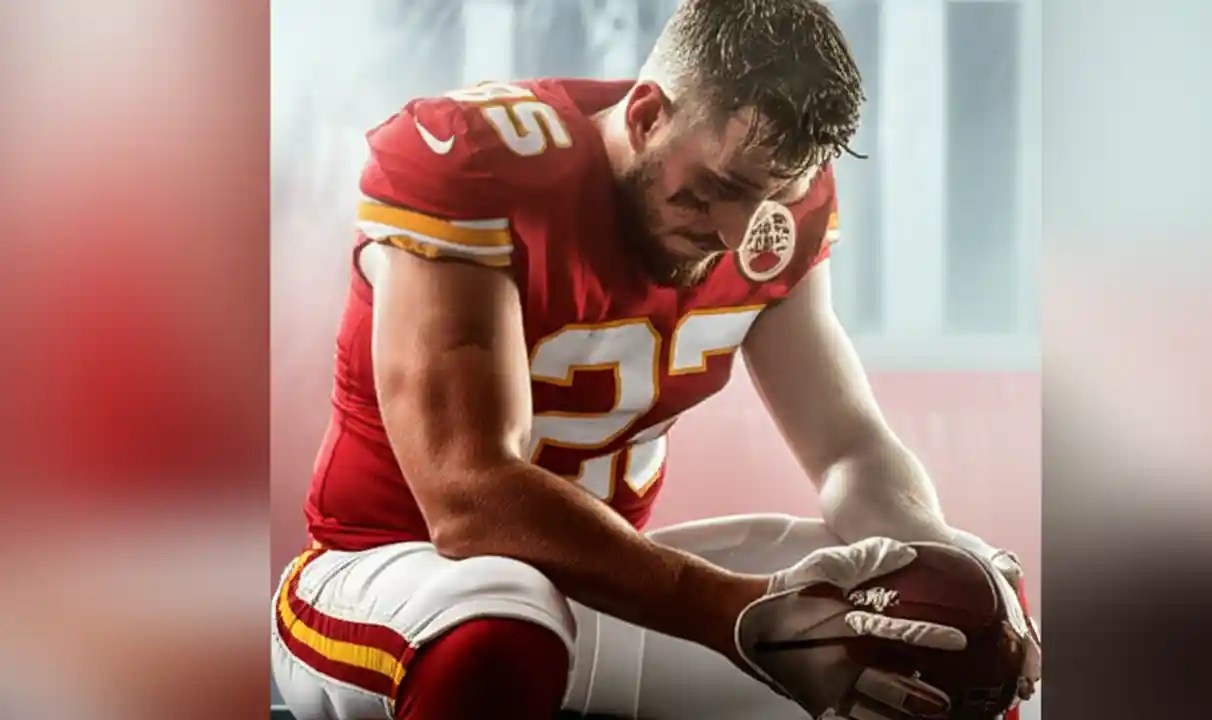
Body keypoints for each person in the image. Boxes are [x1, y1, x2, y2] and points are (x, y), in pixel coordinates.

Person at [271, 1, 1040, 718]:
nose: (739, 234)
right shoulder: (476, 162)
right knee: (501, 624)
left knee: (947, 615)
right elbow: (469, 496)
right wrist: (733, 611)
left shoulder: (772, 206)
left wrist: (949, 561)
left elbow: (849, 448)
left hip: (618, 590)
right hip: (389, 578)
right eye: (718, 190)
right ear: (644, 116)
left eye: (768, 201)